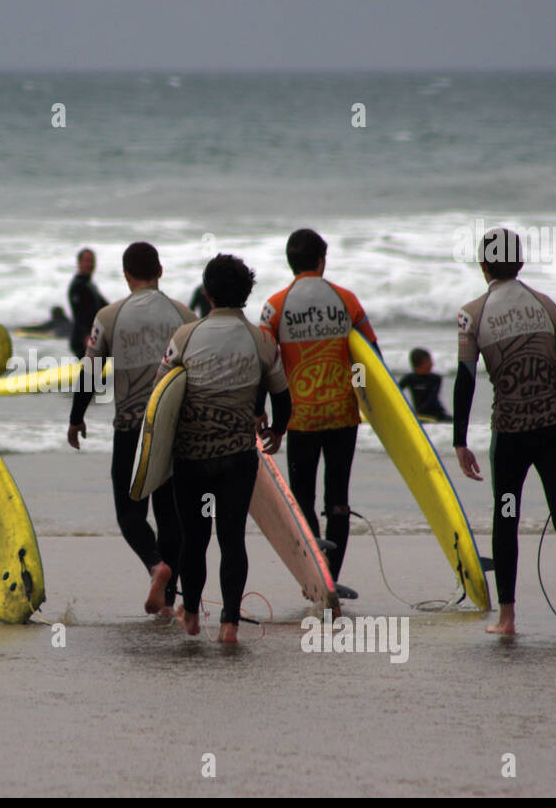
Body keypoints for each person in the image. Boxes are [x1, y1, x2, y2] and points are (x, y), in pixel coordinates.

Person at [453, 227, 556, 637]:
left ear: (483, 266)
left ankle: (508, 617)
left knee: (507, 516)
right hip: (554, 428)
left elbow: (466, 379)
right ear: (520, 263)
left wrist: (461, 440)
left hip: (511, 435)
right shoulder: (545, 305)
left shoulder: (472, 314)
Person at [152, 254, 290, 642]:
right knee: (232, 539)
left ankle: (193, 614)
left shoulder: (186, 336)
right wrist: (278, 430)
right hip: (237, 459)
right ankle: (229, 624)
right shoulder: (262, 340)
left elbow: (160, 398)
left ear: (207, 293)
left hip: (192, 459)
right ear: (246, 294)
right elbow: (282, 395)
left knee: (194, 537)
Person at [68, 241, 194, 616]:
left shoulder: (109, 317)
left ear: (126, 276)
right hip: (173, 429)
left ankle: (156, 565)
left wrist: (77, 418)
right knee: (170, 514)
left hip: (129, 429)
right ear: (161, 271)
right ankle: (170, 600)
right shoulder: (184, 314)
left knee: (129, 513)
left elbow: (90, 371)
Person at [259, 228, 378, 600]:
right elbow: (371, 356)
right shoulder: (346, 300)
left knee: (303, 500)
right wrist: (371, 404)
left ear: (290, 262)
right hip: (343, 416)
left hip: (301, 419)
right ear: (321, 261)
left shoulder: (274, 306)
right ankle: (332, 578)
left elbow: (266, 364)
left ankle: (319, 578)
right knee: (338, 499)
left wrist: (267, 419)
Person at [68, 247, 108, 356]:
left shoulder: (90, 285)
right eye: (87, 261)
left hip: (95, 337)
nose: (90, 264)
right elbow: (79, 314)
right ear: (79, 263)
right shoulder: (77, 286)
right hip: (82, 340)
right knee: (92, 371)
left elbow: (106, 307)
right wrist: (86, 336)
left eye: (92, 261)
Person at [397, 348, 452, 421]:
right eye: (428, 362)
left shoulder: (436, 378)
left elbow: (432, 398)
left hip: (437, 414)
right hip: (419, 414)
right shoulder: (409, 378)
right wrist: (406, 410)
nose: (431, 364)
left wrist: (417, 412)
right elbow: (395, 392)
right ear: (417, 365)